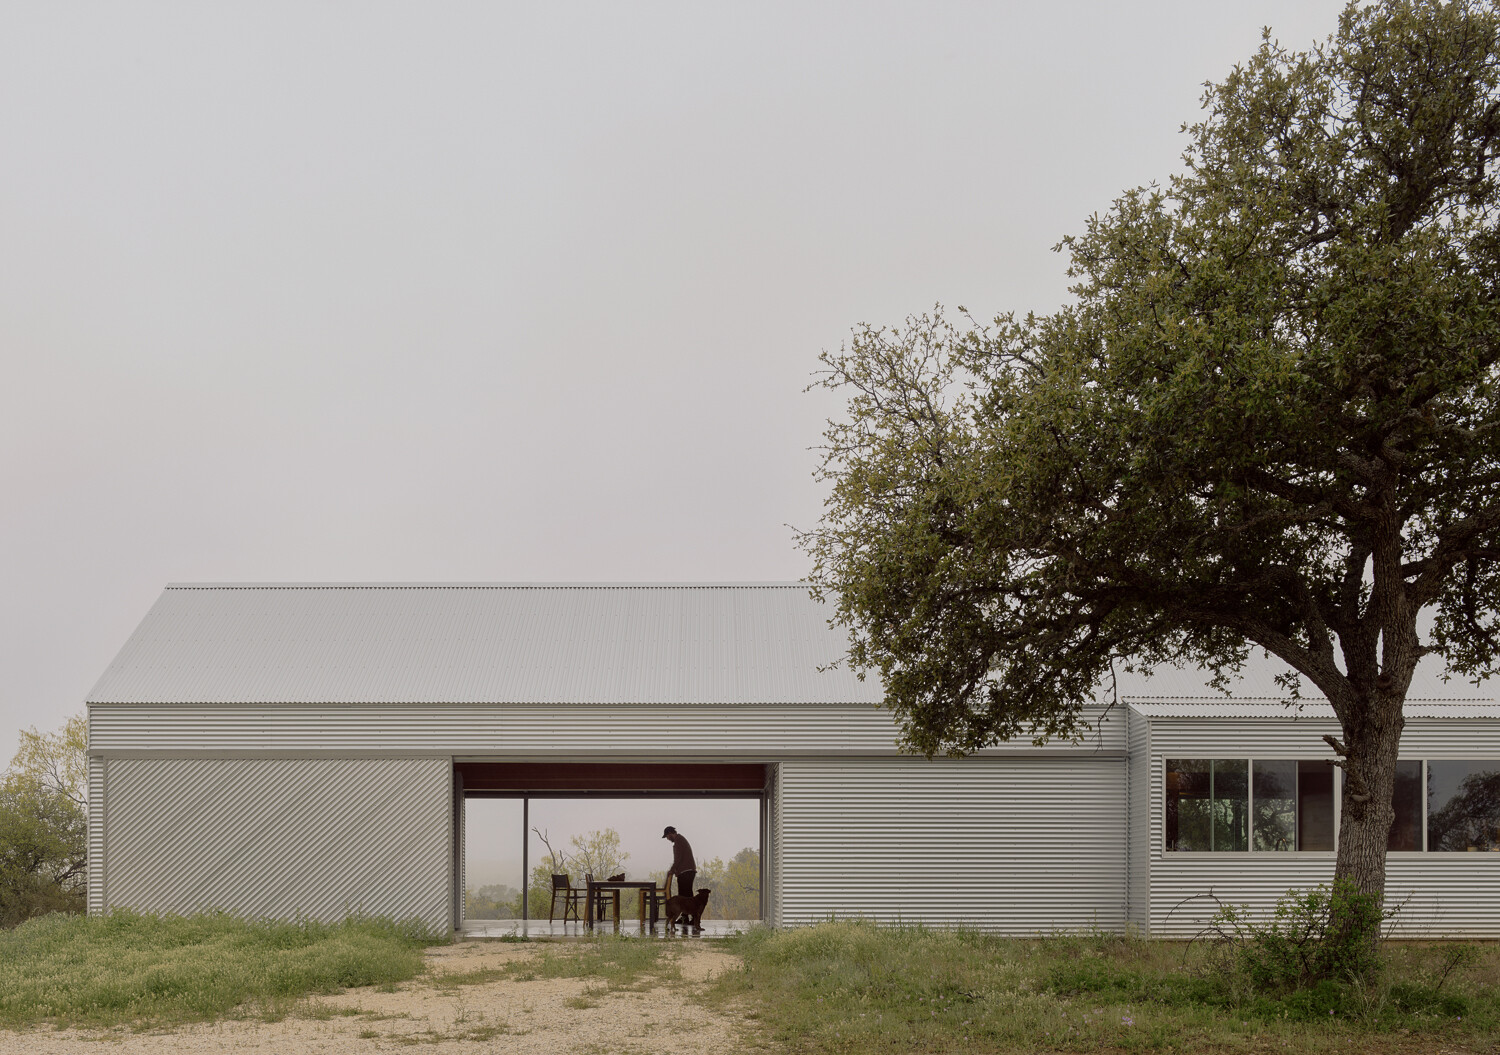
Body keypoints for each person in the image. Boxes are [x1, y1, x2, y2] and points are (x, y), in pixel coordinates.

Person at [662, 825, 696, 900]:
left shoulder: (678, 841)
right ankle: (688, 911)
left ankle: (687, 911)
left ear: (670, 833)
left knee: (684, 897)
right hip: (688, 871)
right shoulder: (680, 839)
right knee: (687, 896)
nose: (667, 839)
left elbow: (678, 859)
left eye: (667, 836)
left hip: (685, 872)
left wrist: (672, 870)